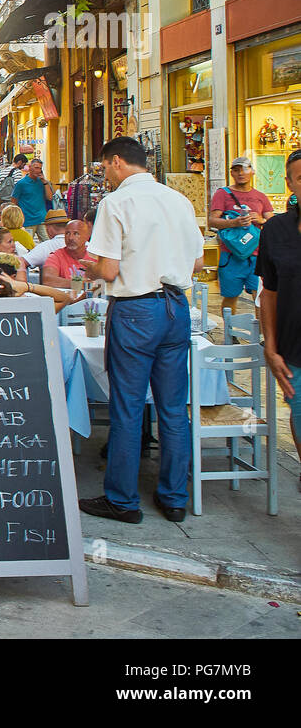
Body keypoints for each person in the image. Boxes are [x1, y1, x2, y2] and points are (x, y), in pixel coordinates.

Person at [80, 135, 205, 525]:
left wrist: (90, 268)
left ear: (117, 162)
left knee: (129, 406)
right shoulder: (178, 200)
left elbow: (110, 270)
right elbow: (198, 262)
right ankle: (173, 498)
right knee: (172, 408)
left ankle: (123, 499)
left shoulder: (116, 202)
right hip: (176, 307)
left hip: (136, 309)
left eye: (103, 168)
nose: (104, 175)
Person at [256, 148, 301, 484]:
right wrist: (270, 347)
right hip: (294, 351)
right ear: (290, 184)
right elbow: (268, 293)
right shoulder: (276, 231)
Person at [209, 155, 274, 318]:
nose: (241, 174)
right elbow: (212, 221)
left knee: (259, 297)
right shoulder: (223, 194)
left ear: (252, 172)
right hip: (231, 255)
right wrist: (234, 223)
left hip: (257, 255)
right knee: (230, 297)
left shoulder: (260, 197)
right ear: (232, 173)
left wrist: (261, 220)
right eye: (236, 170)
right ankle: (230, 334)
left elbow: (273, 222)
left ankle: (261, 336)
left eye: (244, 169)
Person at [41, 219, 94, 289]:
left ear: (87, 237)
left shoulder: (96, 256)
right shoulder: (56, 256)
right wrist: (84, 285)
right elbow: (48, 281)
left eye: (76, 234)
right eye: (67, 233)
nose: (70, 238)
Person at [11, 157, 55, 240]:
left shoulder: (42, 182)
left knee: (47, 243)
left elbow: (49, 198)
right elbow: (14, 201)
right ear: (30, 168)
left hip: (41, 218)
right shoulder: (21, 183)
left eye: (40, 168)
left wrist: (45, 182)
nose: (38, 170)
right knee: (27, 244)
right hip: (28, 220)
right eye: (36, 168)